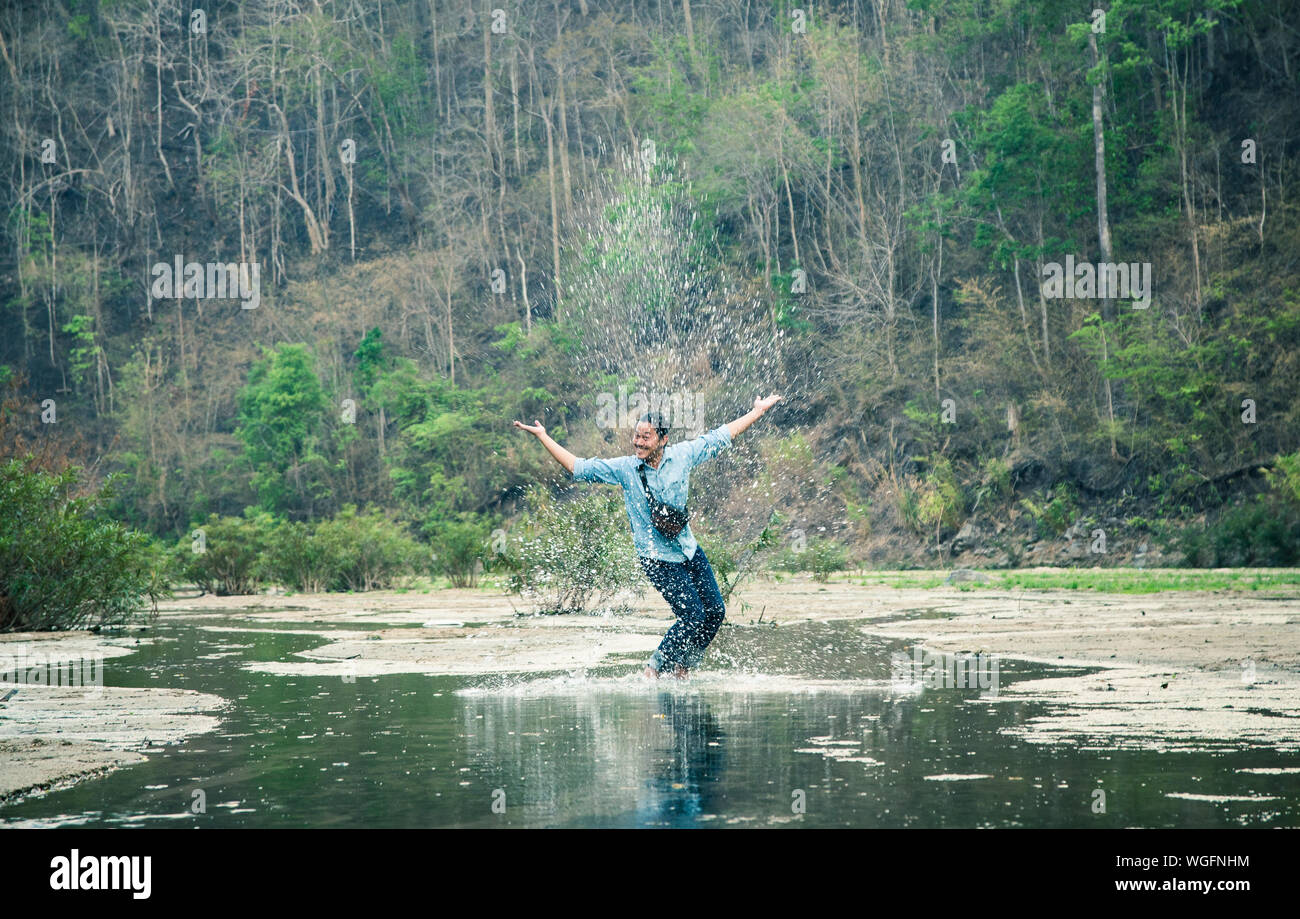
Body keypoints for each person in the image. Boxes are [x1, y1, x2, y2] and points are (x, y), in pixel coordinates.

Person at [513, 394, 783, 679]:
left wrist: (756, 412)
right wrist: (543, 436)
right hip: (657, 558)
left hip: (688, 549)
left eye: (646, 437)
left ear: (663, 440)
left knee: (714, 612)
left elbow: (722, 435)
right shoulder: (625, 469)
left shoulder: (683, 455)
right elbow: (577, 467)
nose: (639, 443)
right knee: (692, 616)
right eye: (636, 437)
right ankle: (653, 669)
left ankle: (683, 667)